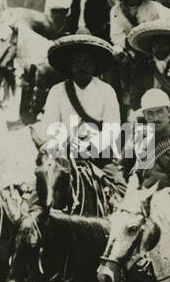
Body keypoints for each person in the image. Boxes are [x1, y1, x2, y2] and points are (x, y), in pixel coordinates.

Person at [37, 33, 123, 176]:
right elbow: (49, 126)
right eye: (77, 62)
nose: (81, 67)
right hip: (63, 154)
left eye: (86, 62)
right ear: (70, 65)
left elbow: (112, 128)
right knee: (41, 192)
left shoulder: (107, 91)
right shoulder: (57, 91)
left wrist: (90, 145)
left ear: (94, 65)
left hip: (98, 154)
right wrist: (65, 143)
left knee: (119, 190)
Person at [124, 21, 170, 128]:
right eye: (157, 44)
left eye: (165, 45)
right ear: (151, 46)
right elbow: (135, 94)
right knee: (140, 141)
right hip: (148, 117)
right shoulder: (142, 65)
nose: (160, 48)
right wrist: (143, 114)